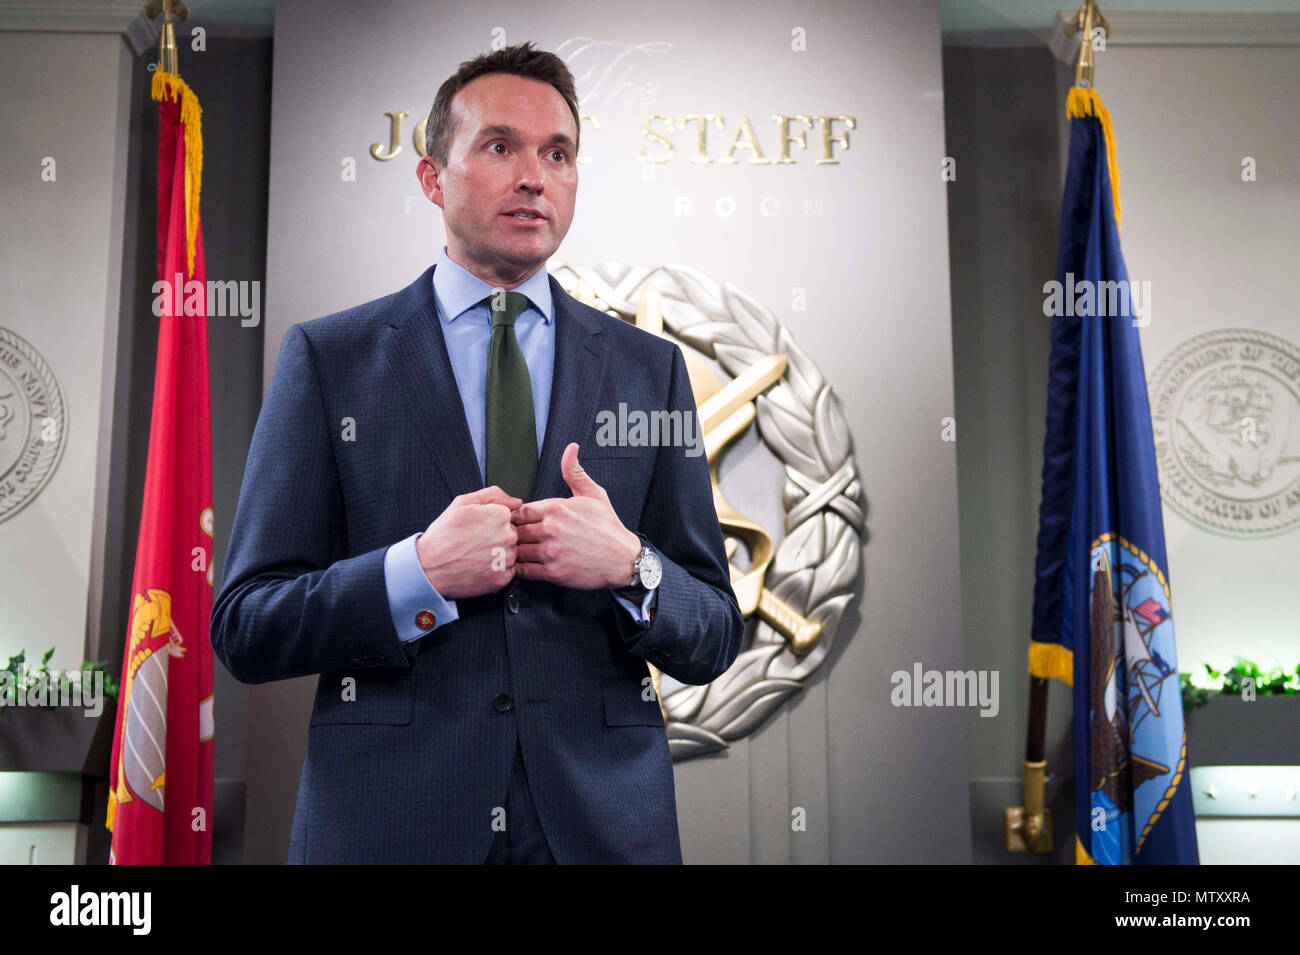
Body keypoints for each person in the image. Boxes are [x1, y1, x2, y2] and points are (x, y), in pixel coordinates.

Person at [210, 41, 744, 864]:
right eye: (501, 146)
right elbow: (247, 625)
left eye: (557, 154)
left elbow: (712, 632)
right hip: (390, 828)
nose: (534, 175)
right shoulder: (330, 358)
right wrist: (415, 572)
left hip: (601, 832)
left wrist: (631, 563)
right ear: (433, 177)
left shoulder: (651, 369)